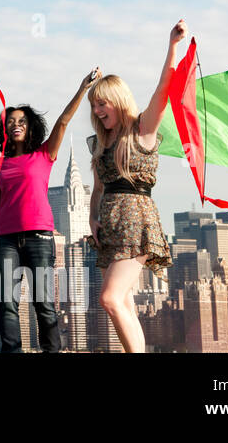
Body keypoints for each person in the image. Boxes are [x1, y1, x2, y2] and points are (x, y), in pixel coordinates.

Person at [0, 67, 99, 353]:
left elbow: (64, 122)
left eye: (22, 121)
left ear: (29, 127)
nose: (16, 124)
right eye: (11, 122)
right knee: (6, 303)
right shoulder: (0, 165)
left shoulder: (44, 154)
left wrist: (82, 89)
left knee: (43, 303)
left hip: (39, 239)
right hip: (5, 241)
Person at [87, 20, 187, 353]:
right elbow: (99, 188)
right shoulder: (100, 143)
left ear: (117, 100)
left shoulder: (141, 128)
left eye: (102, 103)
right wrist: (92, 219)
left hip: (137, 223)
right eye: (94, 105)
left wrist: (172, 45)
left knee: (110, 299)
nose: (98, 111)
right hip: (111, 227)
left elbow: (163, 88)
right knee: (125, 303)